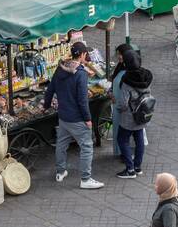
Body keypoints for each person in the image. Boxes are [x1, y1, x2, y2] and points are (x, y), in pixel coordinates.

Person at [43, 42, 103, 190]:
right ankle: (85, 179)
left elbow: (50, 90)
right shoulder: (80, 74)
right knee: (87, 147)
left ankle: (60, 172)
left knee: (61, 144)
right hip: (77, 118)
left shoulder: (60, 68)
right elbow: (82, 100)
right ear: (82, 55)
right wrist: (87, 119)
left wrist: (46, 106)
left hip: (63, 116)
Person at [112, 62, 153, 179]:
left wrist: (118, 108)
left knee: (122, 140)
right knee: (139, 140)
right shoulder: (146, 77)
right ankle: (137, 167)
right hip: (141, 115)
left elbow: (123, 103)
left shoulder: (127, 82)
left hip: (128, 118)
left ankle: (130, 169)